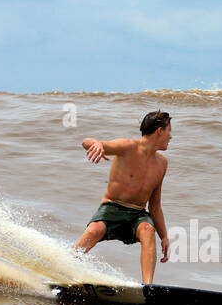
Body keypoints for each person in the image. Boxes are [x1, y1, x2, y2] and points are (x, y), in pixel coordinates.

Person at [73, 109, 172, 284]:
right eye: (169, 131)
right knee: (95, 230)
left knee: (148, 231)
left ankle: (147, 287)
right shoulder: (128, 147)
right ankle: (66, 266)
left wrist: (164, 236)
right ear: (159, 131)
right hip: (112, 207)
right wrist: (96, 144)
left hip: (137, 214)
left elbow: (155, 205)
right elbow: (85, 142)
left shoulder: (162, 163)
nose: (170, 137)